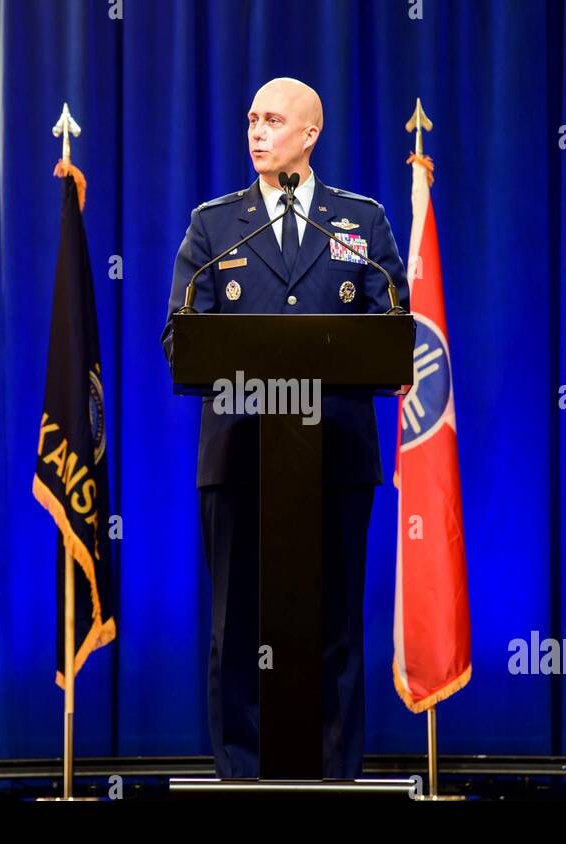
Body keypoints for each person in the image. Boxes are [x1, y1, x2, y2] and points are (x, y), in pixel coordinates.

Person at [162, 77, 410, 779]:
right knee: (235, 625)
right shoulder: (214, 226)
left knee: (336, 623)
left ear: (309, 134)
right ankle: (242, 774)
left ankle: (333, 775)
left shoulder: (359, 221)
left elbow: (393, 327)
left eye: (272, 120)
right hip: (241, 456)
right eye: (250, 120)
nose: (256, 131)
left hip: (335, 455)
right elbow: (181, 337)